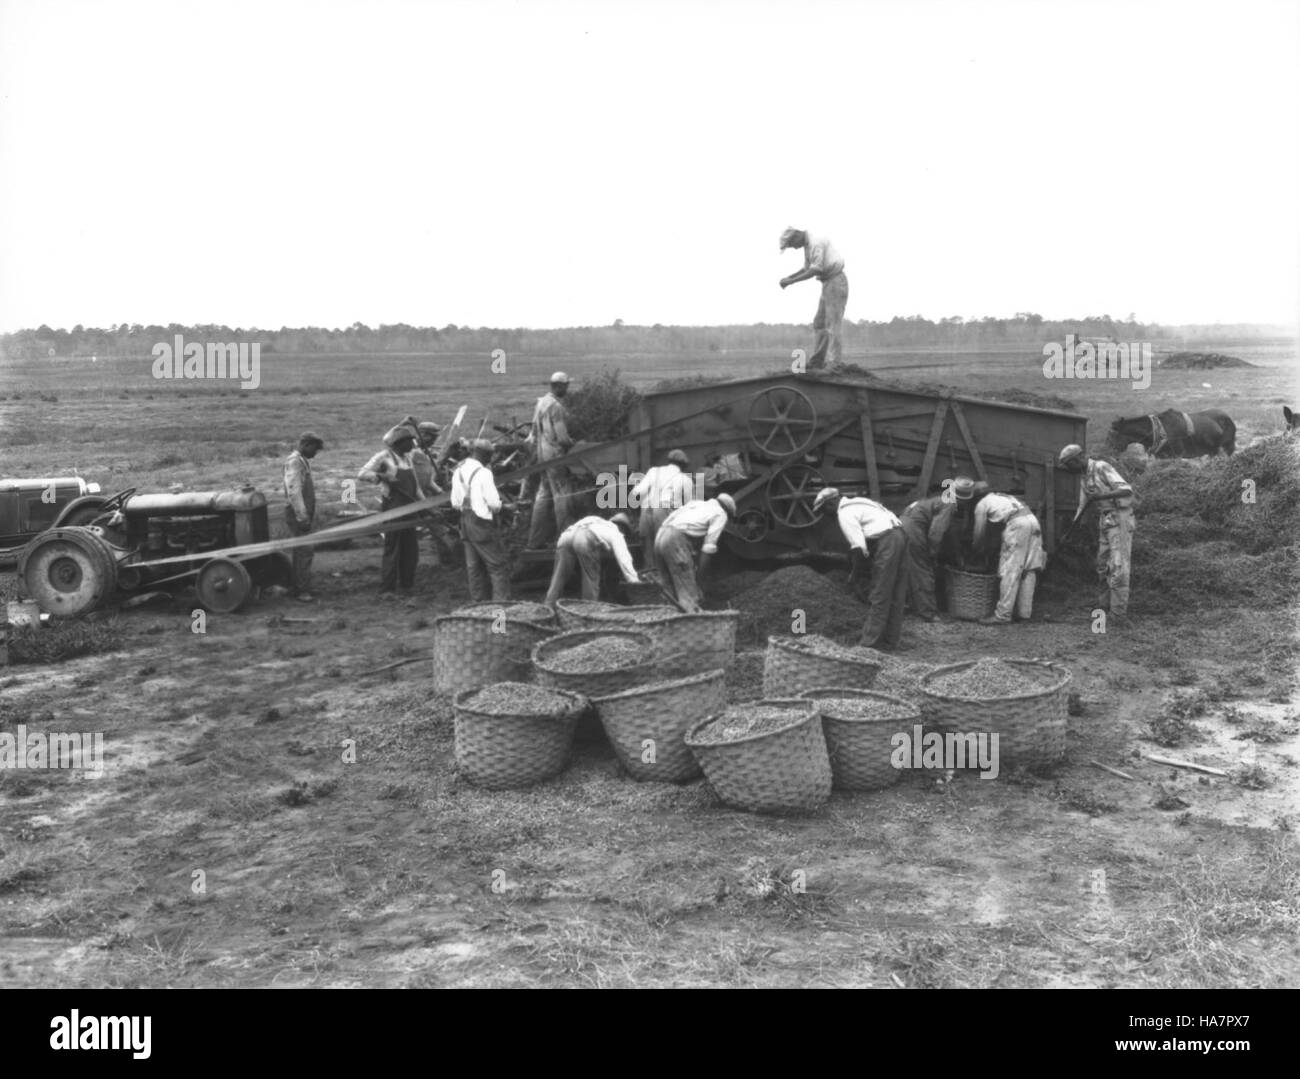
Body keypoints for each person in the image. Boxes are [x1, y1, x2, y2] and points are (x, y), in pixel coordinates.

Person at [812, 488, 909, 651]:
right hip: (901, 536)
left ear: (831, 503)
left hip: (887, 542)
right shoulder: (861, 502)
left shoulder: (844, 513)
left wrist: (854, 575)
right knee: (897, 593)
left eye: (824, 510)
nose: (826, 514)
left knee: (880, 594)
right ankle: (890, 642)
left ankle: (868, 646)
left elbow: (858, 548)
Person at [1059, 444, 1135, 621]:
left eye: (1070, 464)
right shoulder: (1084, 476)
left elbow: (1126, 489)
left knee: (1119, 566)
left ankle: (1118, 614)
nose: (1069, 469)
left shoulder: (1101, 467)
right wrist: (1071, 530)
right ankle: (1103, 606)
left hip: (1120, 518)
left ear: (1078, 459)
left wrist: (1101, 497)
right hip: (1106, 521)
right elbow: (1082, 505)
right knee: (1102, 565)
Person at [359, 424, 432, 596]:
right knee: (393, 549)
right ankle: (387, 589)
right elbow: (362, 474)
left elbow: (416, 488)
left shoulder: (407, 459)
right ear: (400, 443)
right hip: (393, 507)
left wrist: (425, 506)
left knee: (410, 548)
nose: (413, 446)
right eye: (409, 442)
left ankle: (407, 584)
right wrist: (382, 477)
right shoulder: (383, 457)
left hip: (410, 507)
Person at [900, 476, 975, 621]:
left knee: (909, 568)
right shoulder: (949, 504)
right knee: (924, 570)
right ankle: (928, 613)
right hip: (913, 529)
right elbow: (937, 531)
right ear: (964, 499)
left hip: (902, 523)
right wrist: (933, 552)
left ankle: (910, 603)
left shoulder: (939, 499)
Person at [971, 485, 1046, 625]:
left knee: (1010, 570)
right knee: (1029, 569)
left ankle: (1003, 615)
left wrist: (976, 549)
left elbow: (979, 532)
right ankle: (1024, 614)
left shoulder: (981, 504)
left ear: (975, 497)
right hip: (1032, 521)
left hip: (1017, 524)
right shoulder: (1004, 496)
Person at [652, 494, 736, 613]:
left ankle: (668, 622)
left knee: (668, 592)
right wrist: (700, 580)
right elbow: (708, 547)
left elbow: (668, 521)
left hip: (660, 536)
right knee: (688, 594)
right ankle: (692, 626)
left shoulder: (696, 504)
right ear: (728, 511)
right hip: (675, 539)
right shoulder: (721, 513)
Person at [451, 438, 512, 602]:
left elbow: (455, 503)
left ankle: (478, 607)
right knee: (498, 567)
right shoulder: (484, 473)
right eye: (489, 455)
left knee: (474, 567)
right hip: (481, 524)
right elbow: (494, 504)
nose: (490, 459)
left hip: (464, 522)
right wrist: (505, 507)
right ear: (483, 455)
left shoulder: (458, 471)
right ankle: (499, 616)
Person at [779, 227, 848, 369]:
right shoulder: (807, 245)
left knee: (832, 324)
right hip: (828, 283)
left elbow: (816, 269)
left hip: (835, 281)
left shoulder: (815, 241)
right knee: (819, 323)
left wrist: (791, 282)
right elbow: (807, 268)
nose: (794, 248)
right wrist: (789, 277)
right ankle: (818, 362)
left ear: (797, 235)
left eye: (792, 244)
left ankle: (834, 364)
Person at [525, 372, 577, 549]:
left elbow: (532, 432)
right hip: (555, 456)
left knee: (543, 496)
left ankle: (534, 540)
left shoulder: (540, 403)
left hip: (542, 456)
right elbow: (562, 438)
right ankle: (565, 539)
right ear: (559, 386)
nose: (568, 389)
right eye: (566, 386)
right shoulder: (555, 407)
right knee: (561, 495)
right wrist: (575, 443)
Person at [544, 513, 639, 607]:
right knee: (590, 579)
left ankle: (548, 607)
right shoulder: (615, 532)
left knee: (559, 577)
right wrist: (634, 581)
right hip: (585, 538)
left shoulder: (596, 520)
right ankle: (588, 611)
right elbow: (624, 557)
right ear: (622, 528)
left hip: (566, 536)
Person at [630, 449, 695, 571]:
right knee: (667, 549)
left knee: (648, 549)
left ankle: (649, 578)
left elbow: (637, 492)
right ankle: (667, 579)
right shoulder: (685, 479)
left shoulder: (653, 471)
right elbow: (688, 505)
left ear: (669, 461)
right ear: (683, 465)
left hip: (646, 510)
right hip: (665, 512)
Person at [283, 431, 324, 602]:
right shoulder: (295, 462)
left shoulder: (301, 461)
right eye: (315, 449)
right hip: (297, 514)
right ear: (305, 445)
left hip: (301, 512)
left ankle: (298, 586)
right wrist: (302, 516)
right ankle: (301, 590)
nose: (316, 453)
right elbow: (294, 491)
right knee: (305, 550)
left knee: (300, 550)